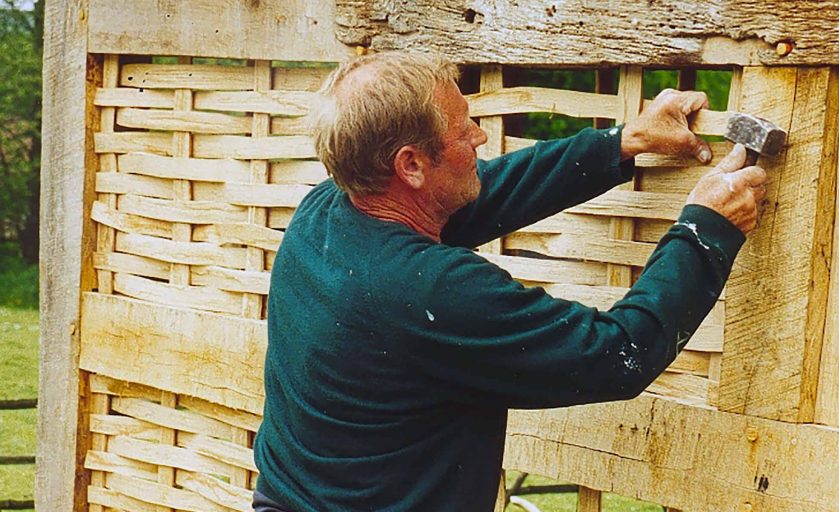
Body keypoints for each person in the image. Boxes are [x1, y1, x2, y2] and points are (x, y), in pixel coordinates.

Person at [253, 51, 767, 511]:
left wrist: (622, 143)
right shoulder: (430, 291)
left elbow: (479, 193)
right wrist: (705, 230)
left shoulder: (325, 211)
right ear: (410, 164)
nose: (479, 136)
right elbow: (617, 354)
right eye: (463, 130)